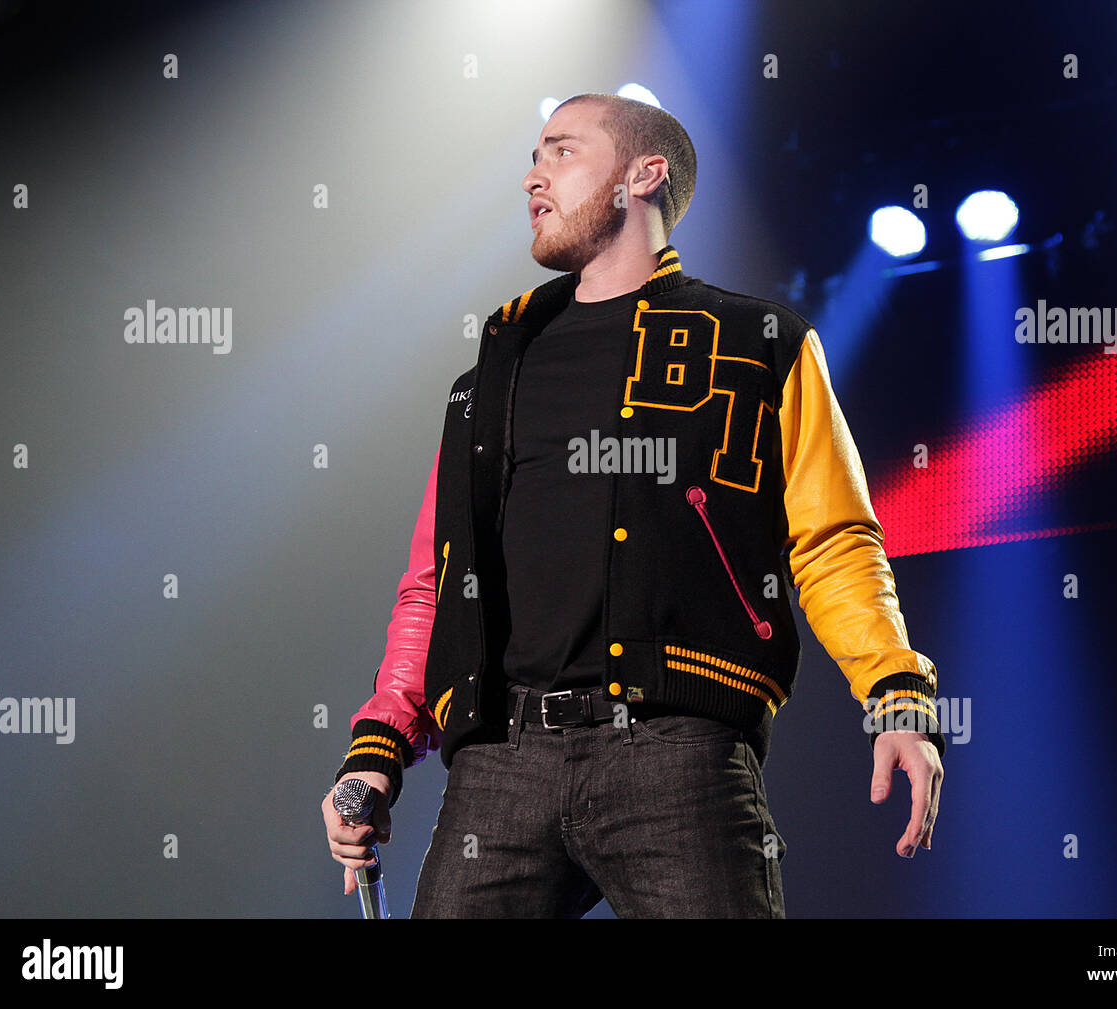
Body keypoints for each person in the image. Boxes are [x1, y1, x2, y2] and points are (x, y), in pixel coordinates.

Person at [321, 92, 944, 918]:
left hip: (677, 753)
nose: (531, 178)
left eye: (561, 153)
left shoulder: (761, 344)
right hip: (501, 762)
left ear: (642, 176)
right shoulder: (488, 382)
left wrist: (896, 693)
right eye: (533, 157)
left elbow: (833, 541)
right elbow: (430, 586)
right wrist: (379, 746)